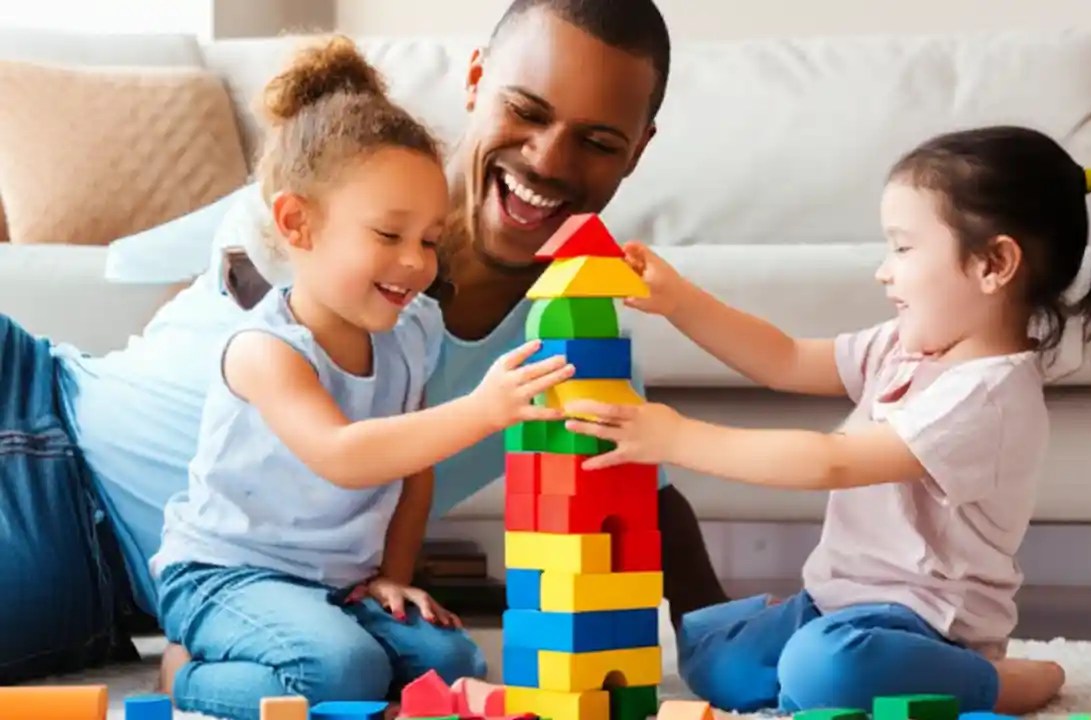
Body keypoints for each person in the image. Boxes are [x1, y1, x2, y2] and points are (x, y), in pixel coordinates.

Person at [0, 0, 730, 684]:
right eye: (524, 110)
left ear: (637, 150)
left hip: (98, 561)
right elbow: (139, 262)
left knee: (397, 667)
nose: (547, 160)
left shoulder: (571, 348)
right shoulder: (340, 180)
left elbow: (648, 502)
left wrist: (722, 643)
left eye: (599, 141)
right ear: (476, 81)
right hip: (41, 399)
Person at [557, 126, 1091, 715]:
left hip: (925, 623)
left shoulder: (989, 396)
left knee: (821, 671)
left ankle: (998, 681)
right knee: (714, 665)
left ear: (994, 264)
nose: (884, 269)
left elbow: (832, 462)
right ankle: (805, 650)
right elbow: (784, 359)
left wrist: (678, 438)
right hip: (832, 603)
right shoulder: (905, 346)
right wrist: (679, 301)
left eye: (904, 248)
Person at [148, 36, 584, 719]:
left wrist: (392, 579)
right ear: (298, 224)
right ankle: (183, 675)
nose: (416, 264)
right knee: (339, 672)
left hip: (338, 586)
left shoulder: (412, 335)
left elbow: (413, 474)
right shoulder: (265, 350)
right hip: (227, 577)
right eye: (389, 236)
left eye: (430, 240)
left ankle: (340, 647)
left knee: (451, 662)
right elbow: (344, 455)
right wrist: (484, 409)